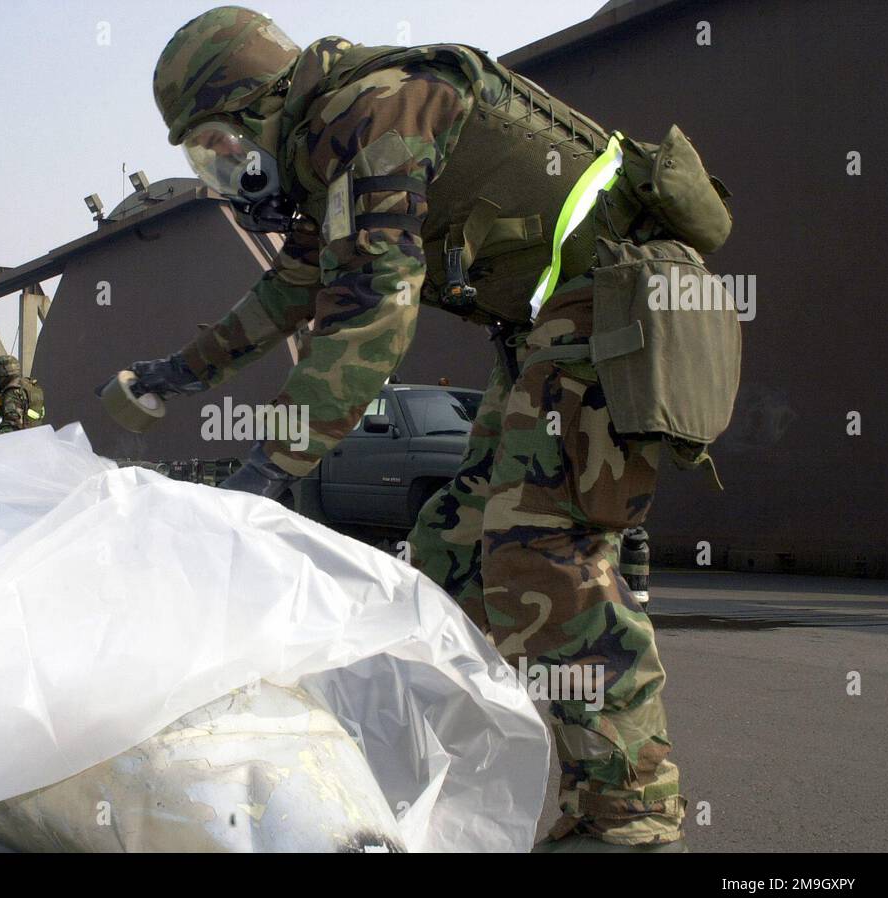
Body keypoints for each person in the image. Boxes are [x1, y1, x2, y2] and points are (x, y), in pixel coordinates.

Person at [106, 6, 739, 850]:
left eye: (221, 145)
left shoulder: (377, 116)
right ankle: (437, 775)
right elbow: (290, 290)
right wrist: (179, 372)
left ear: (261, 103)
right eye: (202, 159)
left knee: (538, 554)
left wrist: (271, 464)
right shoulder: (331, 144)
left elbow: (372, 314)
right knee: (449, 553)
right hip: (556, 328)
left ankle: (632, 818)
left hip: (622, 309)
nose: (225, 170)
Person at [0, 355, 45, 435]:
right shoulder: (29, 386)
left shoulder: (12, 392)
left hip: (20, 440)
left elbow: (12, 424)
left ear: (2, 375)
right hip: (35, 436)